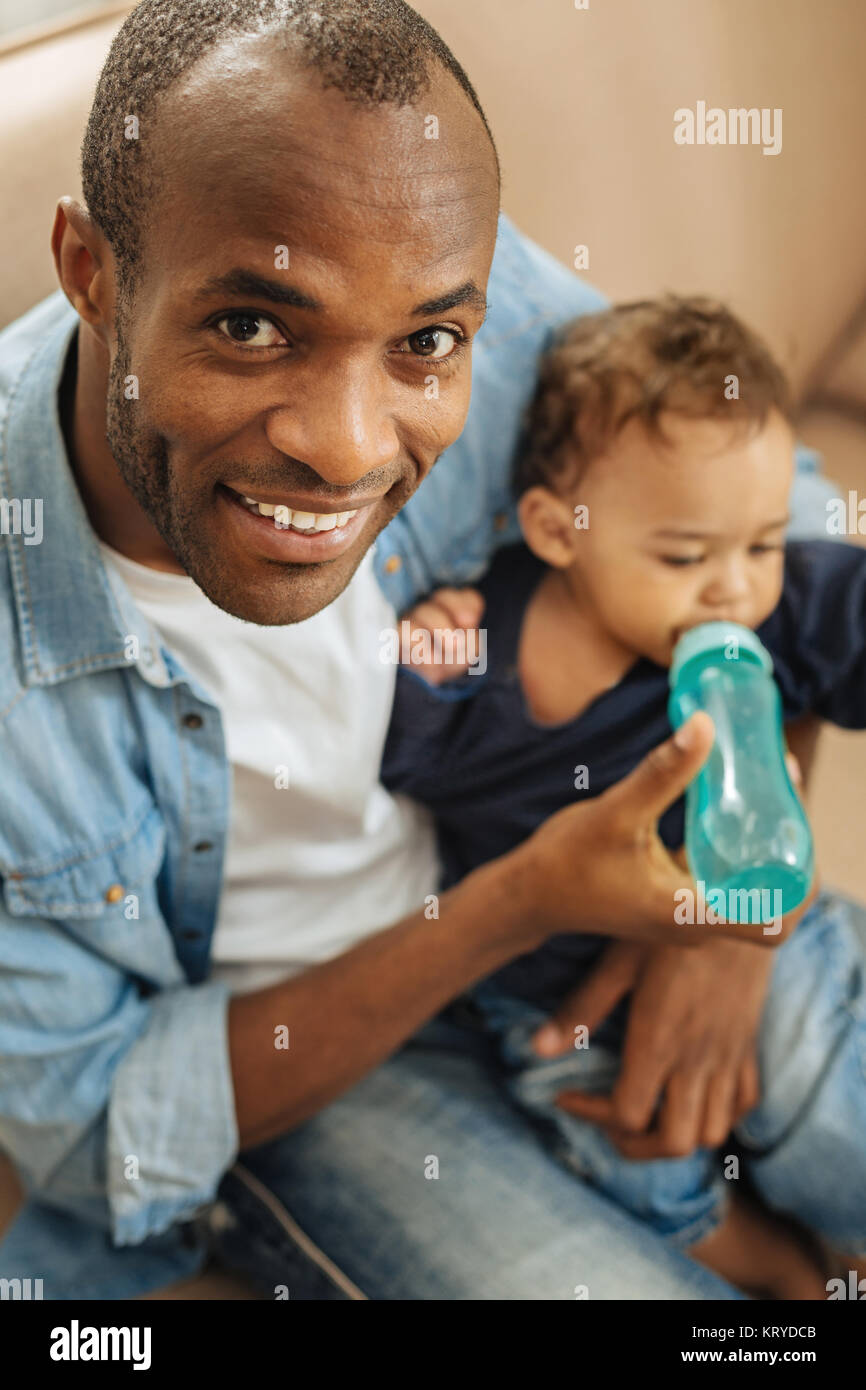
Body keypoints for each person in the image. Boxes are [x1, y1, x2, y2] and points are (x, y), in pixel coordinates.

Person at [0, 0, 835, 1301]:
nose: (346, 446)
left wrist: (730, 925)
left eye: (426, 345)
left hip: (600, 899)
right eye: (251, 327)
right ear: (92, 268)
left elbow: (769, 508)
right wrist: (513, 905)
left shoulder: (426, 265)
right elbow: (106, 1124)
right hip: (316, 1062)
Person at [381, 296, 866, 1300]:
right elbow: (398, 763)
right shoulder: (489, 640)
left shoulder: (773, 615)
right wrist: (422, 661)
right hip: (555, 1004)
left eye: (763, 544)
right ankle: (781, 1276)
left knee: (822, 1079)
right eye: (685, 557)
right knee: (620, 1160)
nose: (733, 589)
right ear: (559, 531)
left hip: (757, 929)